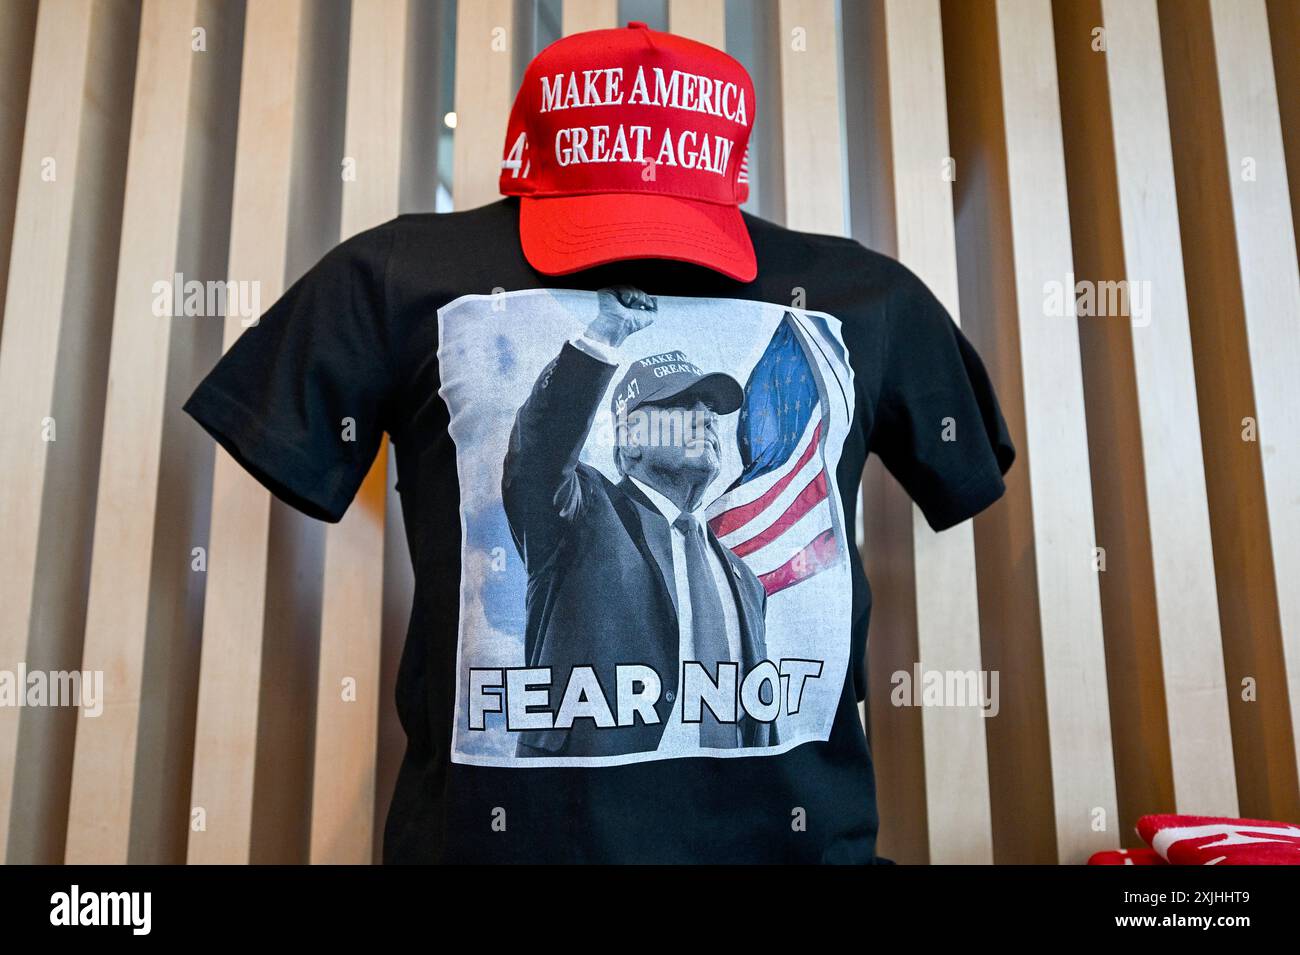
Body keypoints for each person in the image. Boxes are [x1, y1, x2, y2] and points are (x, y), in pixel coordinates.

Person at [501, 286, 778, 757]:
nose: (704, 418)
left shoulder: (744, 579)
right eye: (681, 405)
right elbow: (540, 453)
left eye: (709, 408)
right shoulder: (581, 513)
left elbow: (760, 717)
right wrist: (605, 333)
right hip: (592, 813)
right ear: (630, 443)